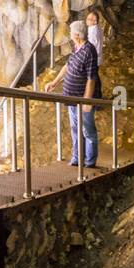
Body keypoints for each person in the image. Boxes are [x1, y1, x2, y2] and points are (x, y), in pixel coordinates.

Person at [48, 20, 98, 167]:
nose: (69, 35)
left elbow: (91, 78)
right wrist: (54, 82)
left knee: (88, 131)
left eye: (71, 32)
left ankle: (89, 162)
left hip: (82, 101)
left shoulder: (89, 51)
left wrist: (87, 101)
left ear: (77, 35)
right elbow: (67, 66)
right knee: (75, 130)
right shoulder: (77, 47)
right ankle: (77, 159)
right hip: (72, 99)